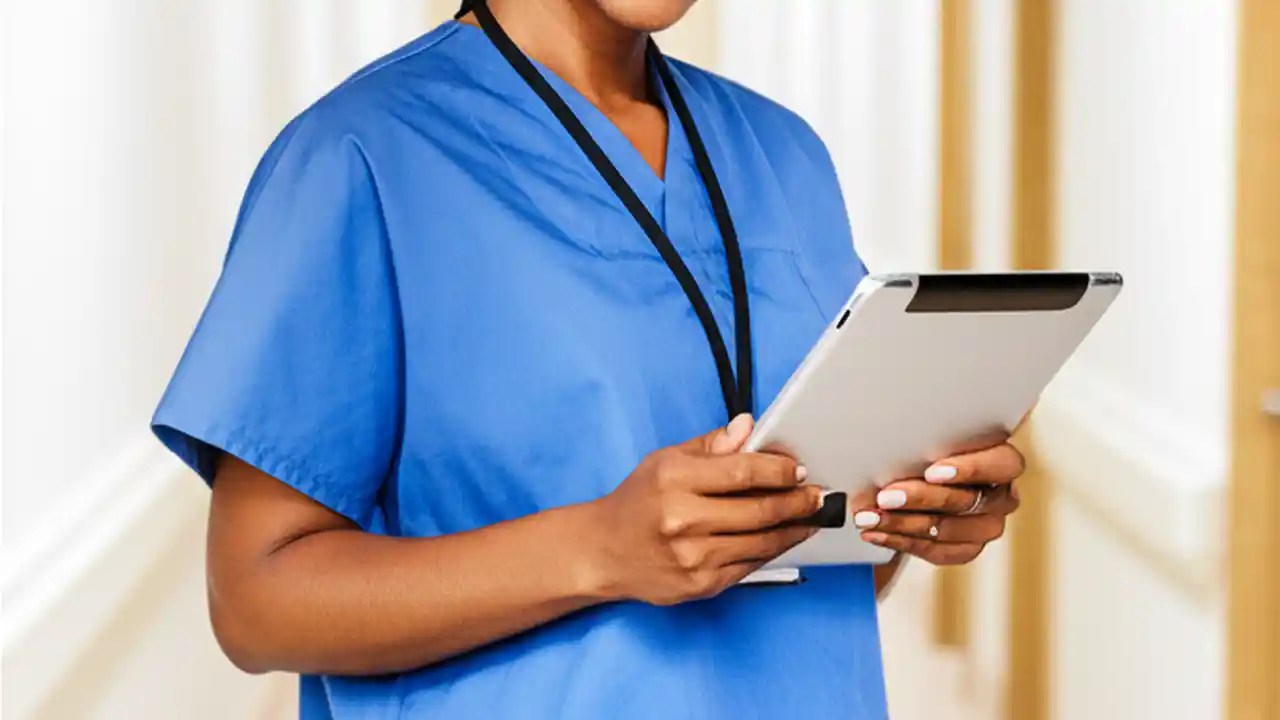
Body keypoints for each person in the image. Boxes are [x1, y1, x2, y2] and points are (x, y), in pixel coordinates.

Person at [152, 1, 1025, 717]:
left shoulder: (784, 153)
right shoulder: (363, 155)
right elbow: (254, 603)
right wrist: (598, 550)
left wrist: (909, 517)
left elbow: (824, 574)